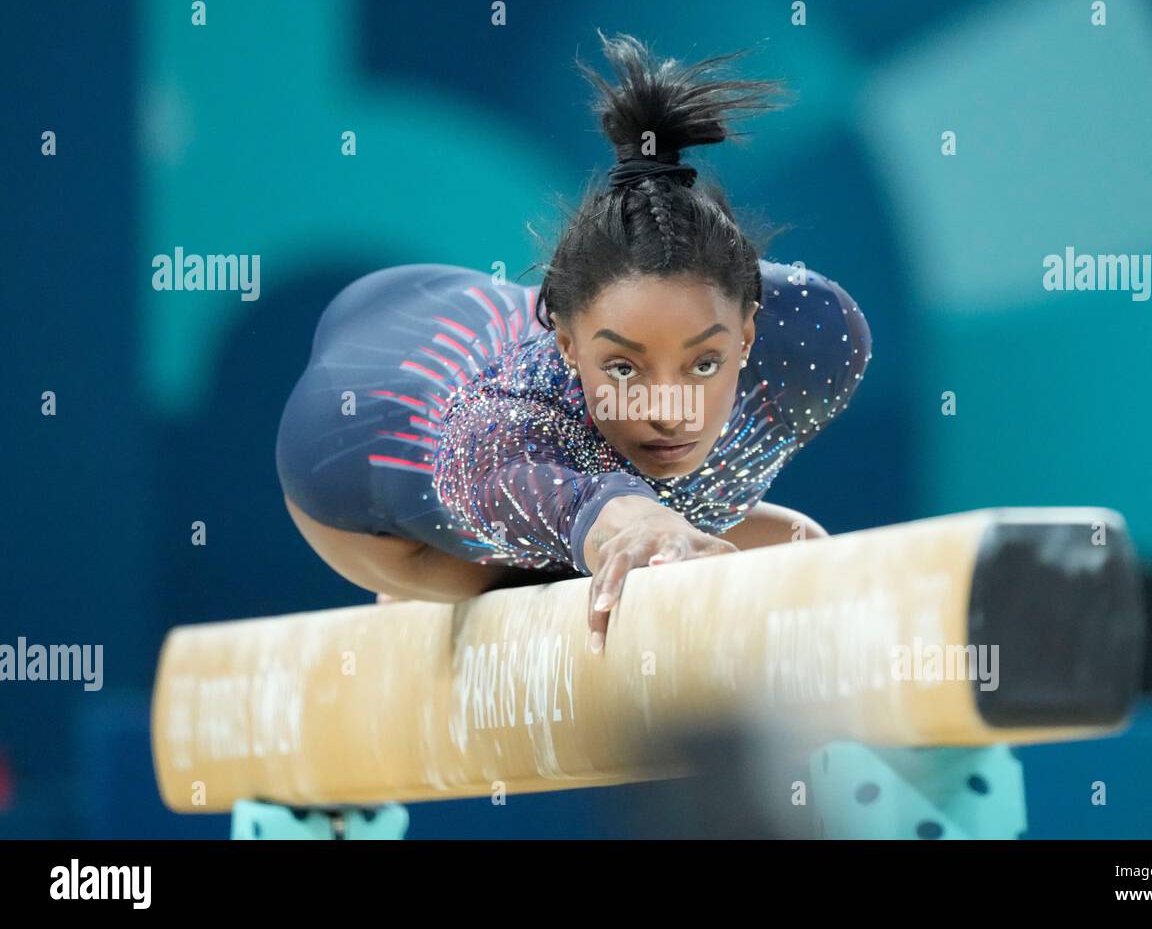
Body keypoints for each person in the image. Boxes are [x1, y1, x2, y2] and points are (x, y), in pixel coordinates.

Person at [276, 32, 871, 651]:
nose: (667, 409)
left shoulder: (814, 339)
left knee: (789, 546)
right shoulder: (501, 432)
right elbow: (611, 511)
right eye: (623, 367)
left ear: (747, 331)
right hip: (369, 442)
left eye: (704, 362)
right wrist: (642, 523)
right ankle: (605, 526)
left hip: (506, 339)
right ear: (563, 343)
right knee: (527, 568)